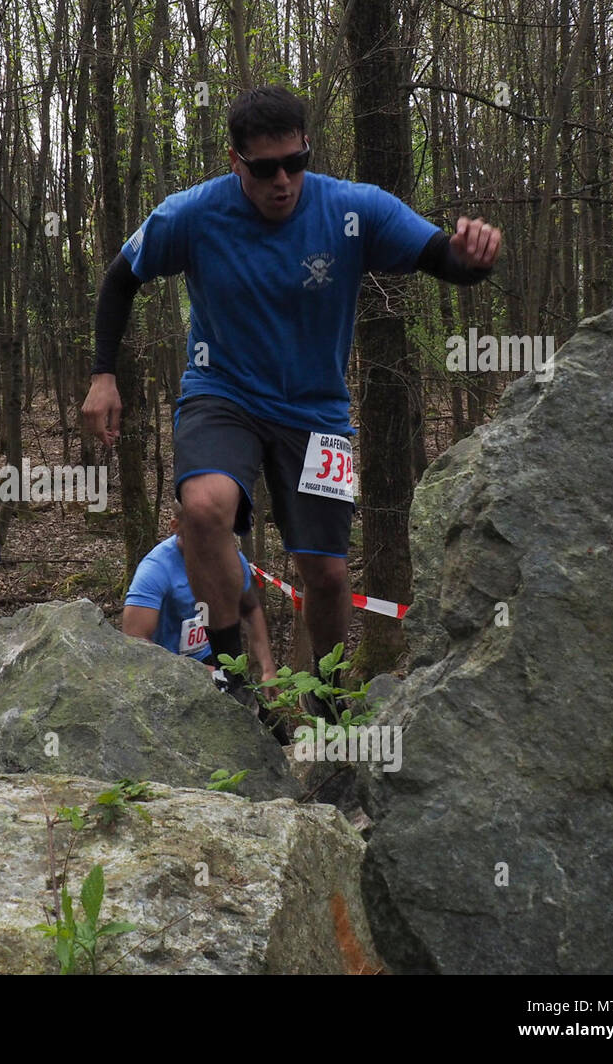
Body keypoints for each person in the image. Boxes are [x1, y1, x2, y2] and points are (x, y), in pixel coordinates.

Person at [82, 84, 500, 714]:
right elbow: (121, 277)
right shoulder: (193, 215)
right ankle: (229, 675)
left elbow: (440, 255)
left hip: (316, 411)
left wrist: (473, 257)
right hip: (221, 391)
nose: (283, 180)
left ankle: (328, 704)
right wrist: (103, 374)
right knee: (202, 507)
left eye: (295, 162)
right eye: (265, 168)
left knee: (326, 575)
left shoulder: (352, 209)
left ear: (308, 149)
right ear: (235, 162)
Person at [123, 506, 273, 678]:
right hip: (163, 667)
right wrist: (196, 672)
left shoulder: (232, 561)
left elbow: (250, 610)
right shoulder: (155, 570)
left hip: (214, 658)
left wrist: (268, 668)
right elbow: (133, 642)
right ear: (176, 526)